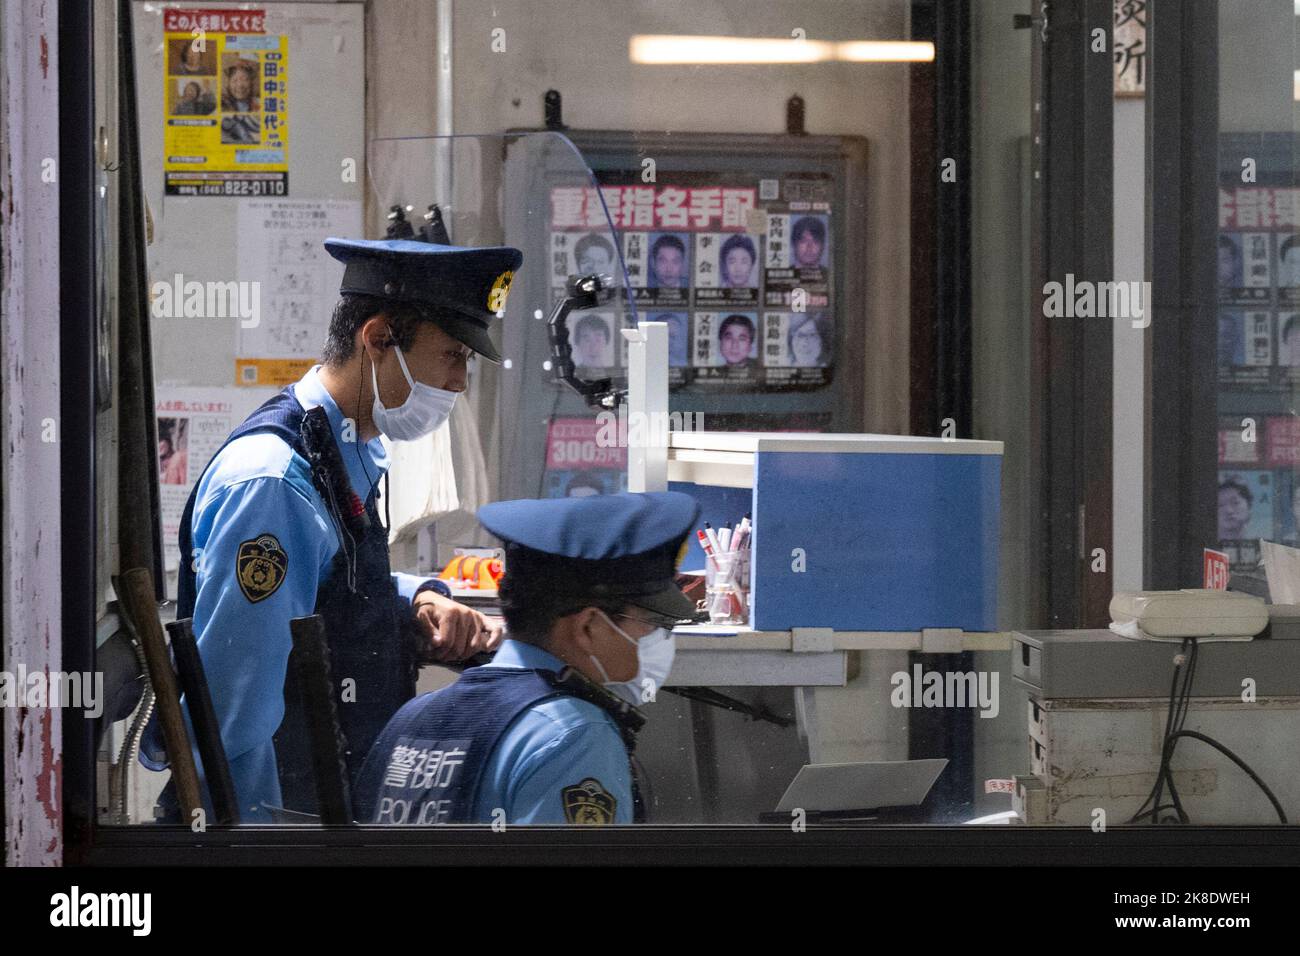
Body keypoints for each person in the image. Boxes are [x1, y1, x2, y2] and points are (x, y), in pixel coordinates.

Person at [144, 237, 522, 823]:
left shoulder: (344, 448)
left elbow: (327, 586)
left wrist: (416, 600)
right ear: (377, 339)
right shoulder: (274, 486)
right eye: (452, 355)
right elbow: (235, 715)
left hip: (324, 805)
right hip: (272, 826)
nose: (460, 383)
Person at [355, 491, 700, 825]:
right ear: (590, 626)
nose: (661, 639)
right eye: (655, 623)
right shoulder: (574, 737)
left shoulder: (414, 717)